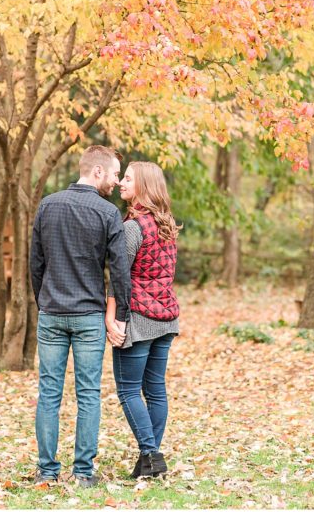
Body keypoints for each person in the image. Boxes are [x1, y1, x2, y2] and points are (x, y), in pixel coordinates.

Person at [29, 145, 131, 487]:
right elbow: (119, 271)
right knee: (88, 394)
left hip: (52, 312)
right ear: (97, 172)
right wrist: (122, 315)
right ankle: (84, 474)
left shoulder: (48, 205)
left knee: (49, 393)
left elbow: (36, 264)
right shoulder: (107, 213)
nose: (117, 182)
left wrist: (43, 300)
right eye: (115, 174)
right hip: (88, 315)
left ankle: (47, 471)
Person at [106, 161, 181, 479]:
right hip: (166, 318)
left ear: (145, 187)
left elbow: (120, 278)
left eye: (127, 179)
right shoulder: (167, 225)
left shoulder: (132, 228)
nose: (121, 183)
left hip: (138, 317)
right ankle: (148, 462)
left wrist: (112, 317)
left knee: (127, 390)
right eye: (121, 178)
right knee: (155, 390)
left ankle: (151, 453)